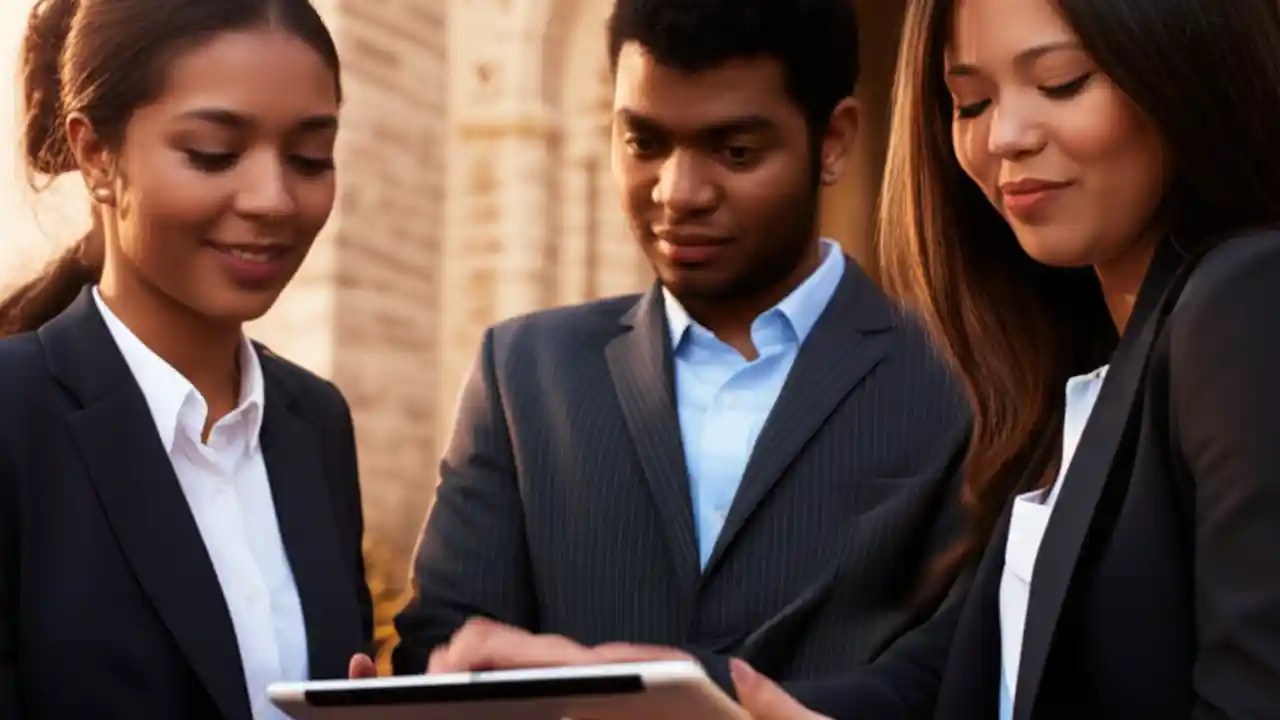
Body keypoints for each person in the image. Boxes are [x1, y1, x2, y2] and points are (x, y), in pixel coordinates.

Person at [350, 0, 970, 702]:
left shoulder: (959, 382)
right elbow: (448, 646)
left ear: (832, 142)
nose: (678, 194)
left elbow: (955, 677)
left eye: (735, 153)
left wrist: (635, 689)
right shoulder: (525, 375)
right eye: (643, 144)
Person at [725, 0, 1280, 717]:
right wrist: (672, 689)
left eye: (1062, 82)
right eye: (971, 102)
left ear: (1185, 68)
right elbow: (946, 677)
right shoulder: (1078, 382)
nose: (1003, 138)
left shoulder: (1244, 298)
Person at [0, 1, 372, 718]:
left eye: (309, 158)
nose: (273, 200)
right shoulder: (16, 419)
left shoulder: (315, 424)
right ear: (96, 155)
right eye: (211, 153)